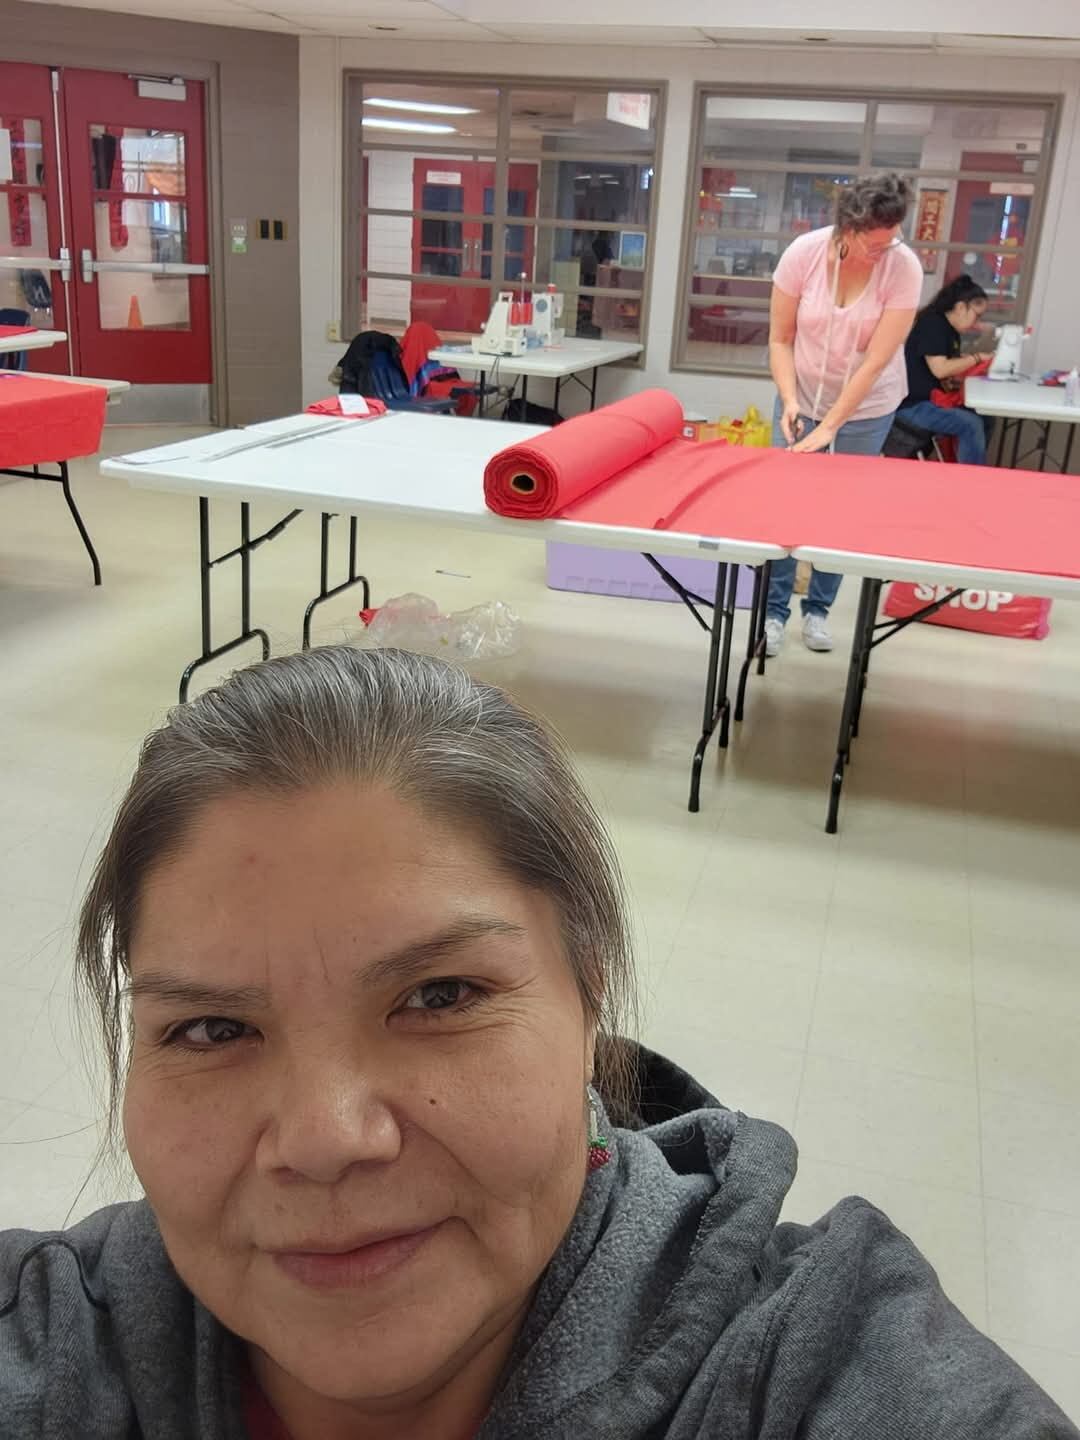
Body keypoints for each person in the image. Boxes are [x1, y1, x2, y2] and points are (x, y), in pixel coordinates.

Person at [2, 646, 1077, 1440]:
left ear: (586, 995)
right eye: (212, 1028)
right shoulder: (50, 1348)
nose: (325, 1140)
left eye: (439, 996)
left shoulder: (816, 1367)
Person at [765, 173, 923, 658]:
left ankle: (818, 610)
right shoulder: (804, 254)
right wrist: (790, 400)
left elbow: (876, 361)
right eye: (874, 244)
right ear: (847, 229)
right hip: (802, 394)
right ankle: (773, 613)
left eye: (891, 241)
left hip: (867, 408)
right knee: (783, 506)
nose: (883, 252)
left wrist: (832, 425)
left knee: (839, 510)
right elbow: (780, 338)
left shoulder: (903, 267)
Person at [896, 274, 995, 464]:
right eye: (976, 316)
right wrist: (975, 359)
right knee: (971, 424)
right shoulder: (933, 325)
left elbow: (950, 369)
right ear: (960, 307)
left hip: (931, 399)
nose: (976, 323)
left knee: (986, 418)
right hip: (913, 405)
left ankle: (969, 465)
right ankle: (969, 478)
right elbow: (940, 370)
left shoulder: (951, 331)